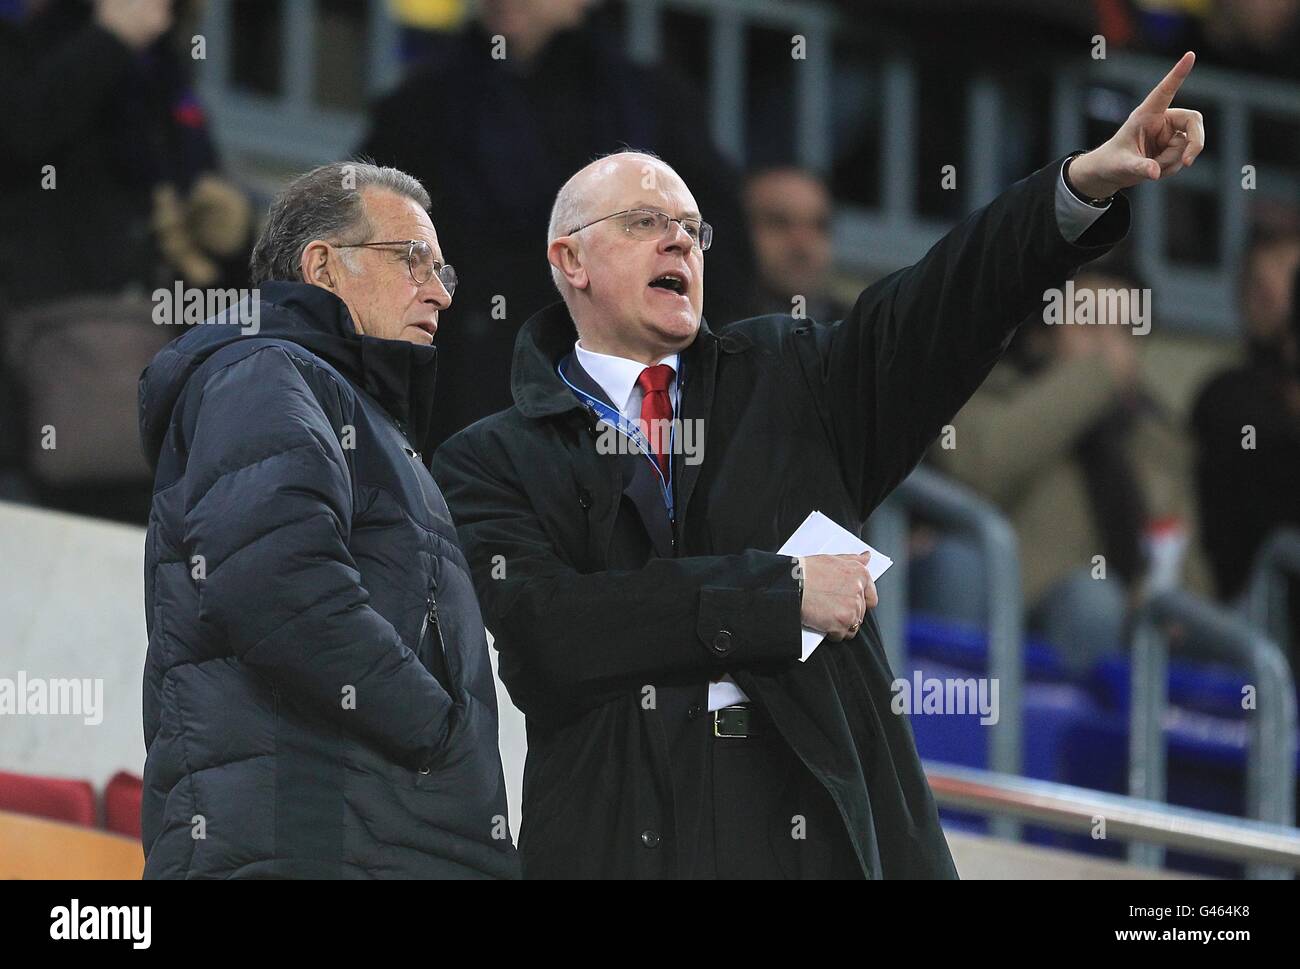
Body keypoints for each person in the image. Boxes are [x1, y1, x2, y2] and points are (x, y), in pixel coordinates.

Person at [432, 57, 1205, 878]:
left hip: (813, 832)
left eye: (693, 229)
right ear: (569, 261)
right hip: (623, 841)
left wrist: (1078, 186)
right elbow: (555, 636)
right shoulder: (488, 460)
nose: (678, 241)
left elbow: (947, 301)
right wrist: (781, 593)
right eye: (642, 221)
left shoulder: (790, 376)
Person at [137, 162, 520, 879]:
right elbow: (276, 582)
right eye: (413, 260)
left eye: (444, 271)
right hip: (308, 844)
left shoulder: (352, 412)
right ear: (323, 265)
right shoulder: (266, 370)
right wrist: (440, 733)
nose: (437, 291)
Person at [357, 0, 757, 453]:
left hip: (624, 411)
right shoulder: (419, 107)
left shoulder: (654, 107)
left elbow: (719, 264)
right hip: (459, 406)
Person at [920, 263, 1213, 675]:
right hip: (998, 609)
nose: (1110, 349)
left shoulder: (1153, 437)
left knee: (1093, 601)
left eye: (1124, 333)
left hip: (1106, 630)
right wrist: (1092, 381)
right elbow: (978, 467)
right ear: (1043, 332)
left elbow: (1189, 571)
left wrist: (1160, 593)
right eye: (1091, 325)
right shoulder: (990, 387)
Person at [744, 167, 852, 322]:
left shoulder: (863, 334)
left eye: (819, 225)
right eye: (779, 222)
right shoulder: (705, 334)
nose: (803, 244)